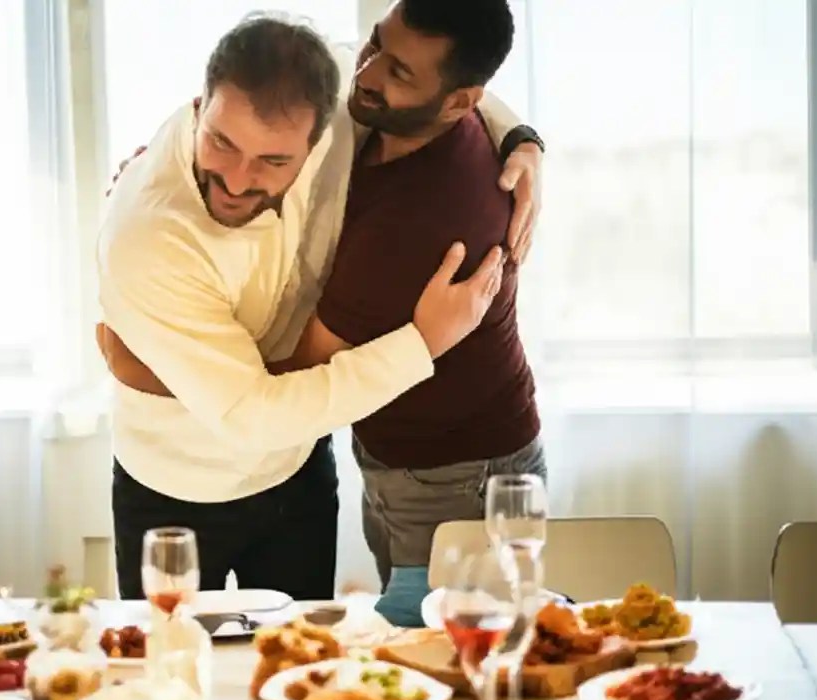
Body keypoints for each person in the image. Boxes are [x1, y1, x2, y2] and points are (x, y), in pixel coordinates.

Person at [98, 12, 543, 601]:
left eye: (273, 162)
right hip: (178, 481)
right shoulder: (149, 236)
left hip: (298, 468)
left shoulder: (337, 97)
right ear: (200, 104)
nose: (235, 180)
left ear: (317, 138)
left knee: (302, 670)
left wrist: (523, 140)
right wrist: (421, 344)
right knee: (174, 671)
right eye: (221, 141)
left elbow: (434, 90)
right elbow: (251, 414)